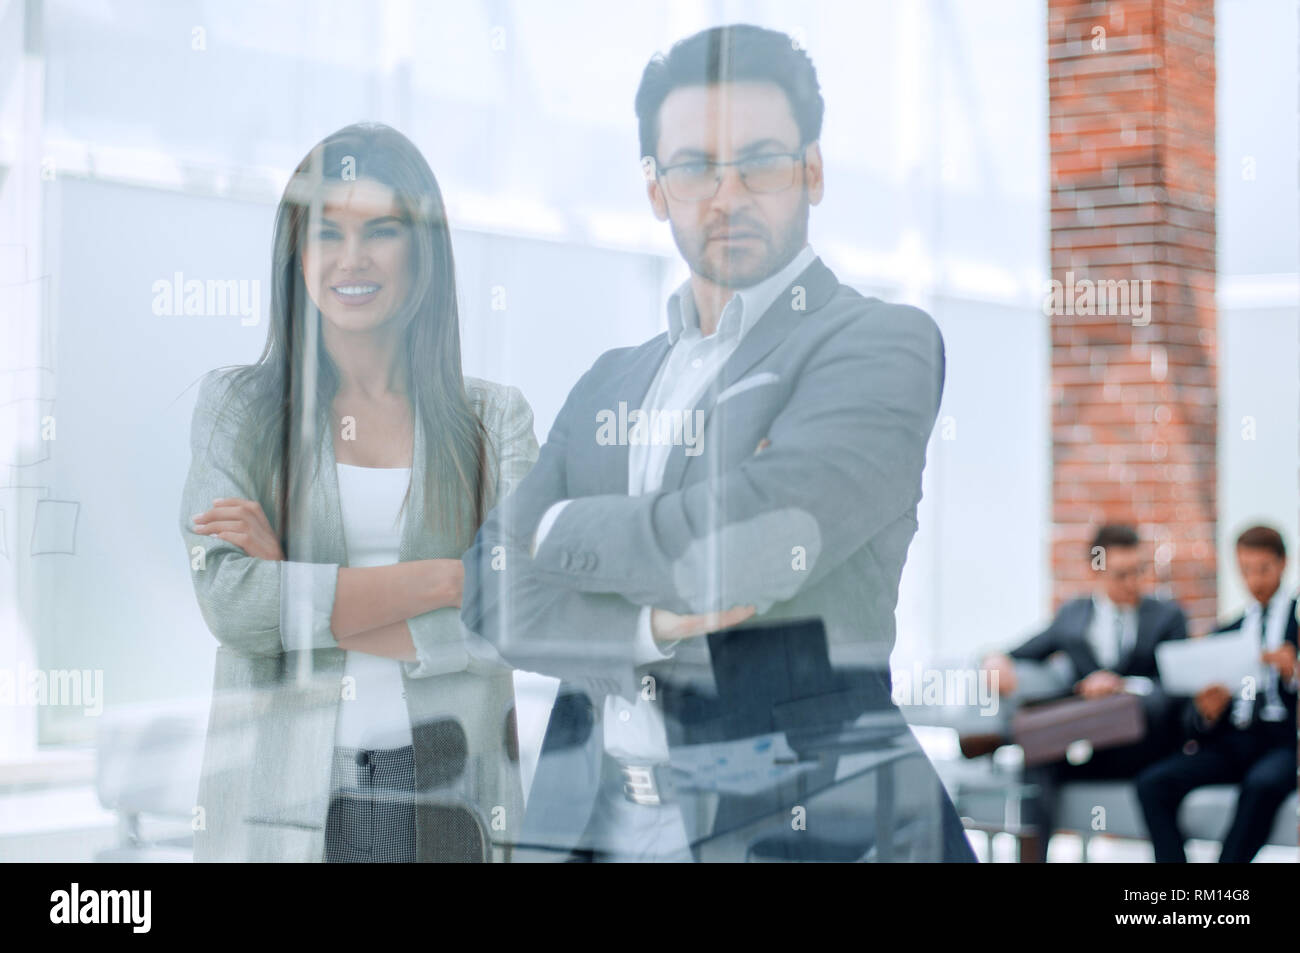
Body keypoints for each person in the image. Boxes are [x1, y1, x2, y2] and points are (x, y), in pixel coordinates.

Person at [460, 24, 974, 862]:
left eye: (760, 162)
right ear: (657, 189)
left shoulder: (880, 343)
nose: (726, 194)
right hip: (588, 823)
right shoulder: (610, 379)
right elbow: (486, 588)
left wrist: (554, 532)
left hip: (804, 826)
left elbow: (754, 545)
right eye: (696, 166)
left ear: (812, 171)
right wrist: (650, 624)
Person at [180, 123, 538, 862]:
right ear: (296, 252)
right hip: (284, 788)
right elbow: (235, 605)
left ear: (423, 253)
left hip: (449, 787)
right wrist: (446, 579)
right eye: (327, 233)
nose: (352, 259)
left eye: (382, 230)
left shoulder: (493, 419)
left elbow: (522, 614)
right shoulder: (240, 409)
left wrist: (296, 583)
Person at [983, 523, 1188, 861]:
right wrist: (993, 658)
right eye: (1121, 575)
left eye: (1138, 571)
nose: (1132, 583)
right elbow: (1018, 651)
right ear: (1097, 572)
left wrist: (1123, 687)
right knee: (1036, 760)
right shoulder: (1072, 617)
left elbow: (1175, 688)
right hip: (1085, 746)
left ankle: (1001, 739)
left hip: (1141, 745)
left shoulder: (1167, 617)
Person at [1136, 525, 1298, 863]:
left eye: (1263, 569)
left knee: (1262, 785)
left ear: (1284, 564)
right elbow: (1194, 722)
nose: (1255, 581)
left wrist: (1294, 672)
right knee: (1152, 784)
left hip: (1281, 744)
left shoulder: (1295, 629)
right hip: (1232, 742)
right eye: (1246, 570)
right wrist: (1206, 712)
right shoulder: (1227, 633)